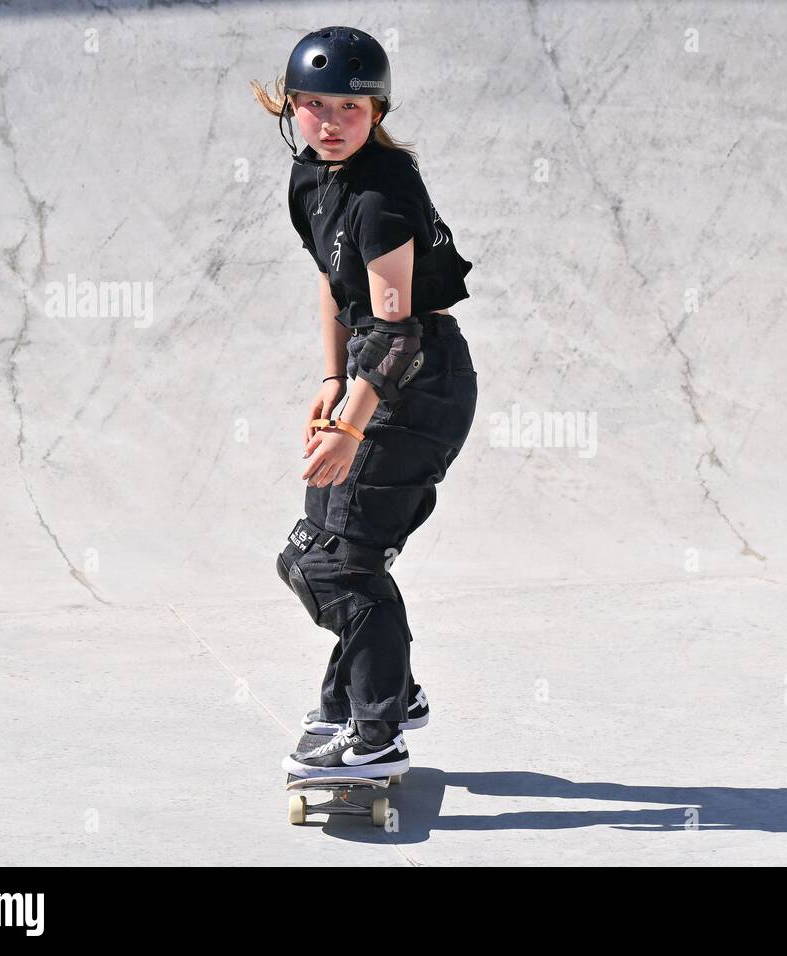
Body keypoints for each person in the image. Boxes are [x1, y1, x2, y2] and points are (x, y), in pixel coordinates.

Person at [251, 26, 478, 779]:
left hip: (417, 383)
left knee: (344, 563)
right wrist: (327, 379)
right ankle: (383, 690)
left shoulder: (382, 195)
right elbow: (330, 279)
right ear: (291, 107)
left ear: (376, 110)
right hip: (366, 372)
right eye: (313, 104)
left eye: (350, 106)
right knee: (310, 553)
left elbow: (397, 332)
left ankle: (375, 732)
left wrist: (351, 423)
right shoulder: (310, 177)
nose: (330, 121)